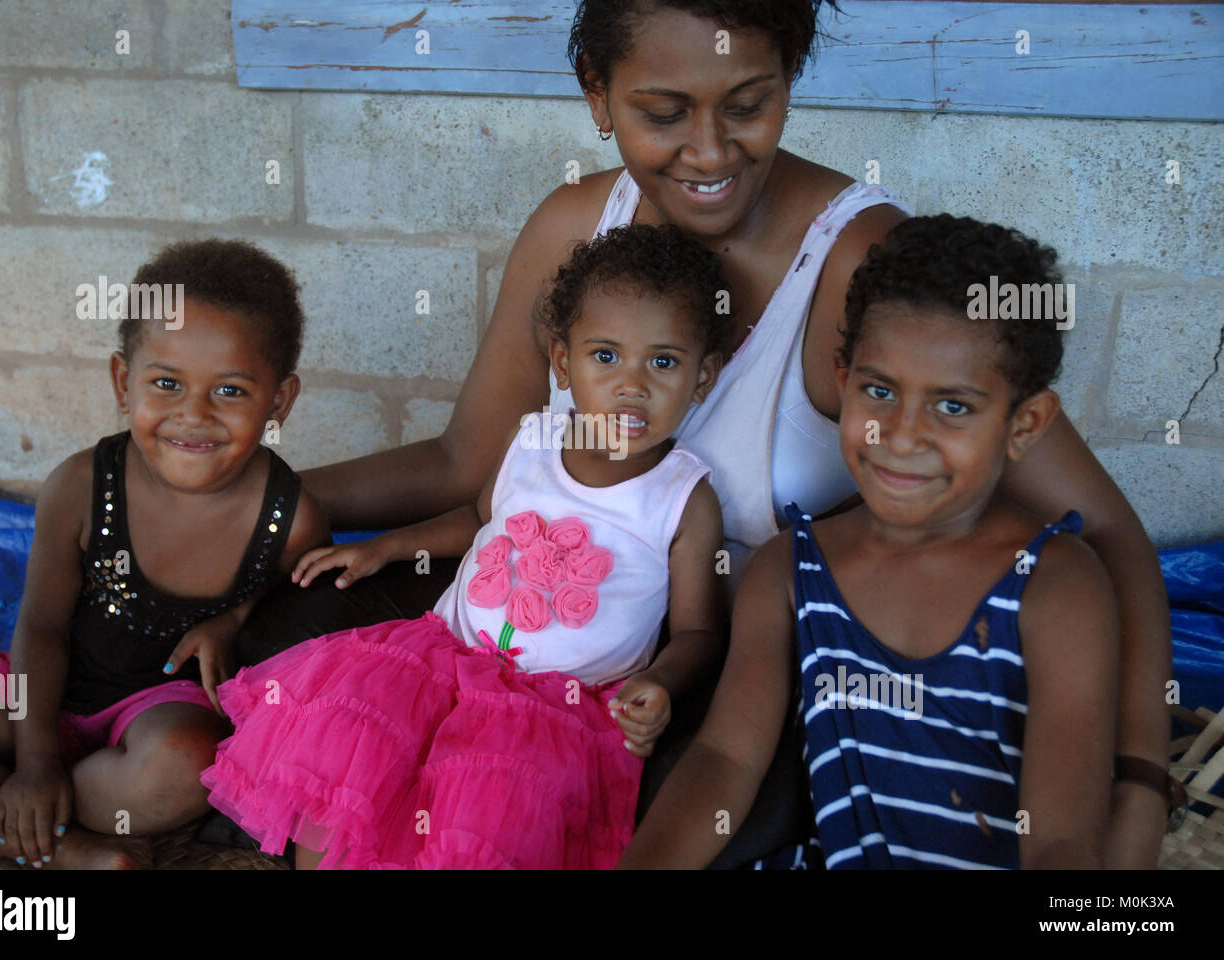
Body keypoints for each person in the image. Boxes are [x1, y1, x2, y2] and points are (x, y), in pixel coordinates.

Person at [243, 0, 1171, 867]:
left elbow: (1109, 533)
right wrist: (268, 501)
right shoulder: (579, 225)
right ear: (598, 99)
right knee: (294, 634)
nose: (710, 149)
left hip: (717, 663)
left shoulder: (864, 268)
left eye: (749, 104)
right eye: (663, 111)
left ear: (788, 80)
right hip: (549, 621)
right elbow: (465, 464)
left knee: (728, 801)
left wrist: (1138, 782)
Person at [199, 224, 727, 869]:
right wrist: (389, 547)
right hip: (439, 659)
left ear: (705, 377)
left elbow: (699, 630)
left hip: (556, 709)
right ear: (563, 361)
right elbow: (481, 518)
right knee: (350, 764)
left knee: (479, 822)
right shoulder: (532, 442)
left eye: (665, 362)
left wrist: (660, 683)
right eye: (605, 356)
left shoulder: (681, 497)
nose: (633, 385)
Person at [620, 215, 1119, 869]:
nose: (903, 435)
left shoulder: (1055, 588)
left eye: (954, 407)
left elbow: (1060, 841)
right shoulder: (790, 571)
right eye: (879, 391)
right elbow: (725, 758)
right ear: (842, 377)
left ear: (1025, 424)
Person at [0, 240, 328, 868]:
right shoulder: (82, 486)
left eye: (230, 390)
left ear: (279, 401)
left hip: (159, 715)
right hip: (39, 691)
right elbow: (41, 626)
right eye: (166, 383)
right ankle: (72, 852)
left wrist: (233, 618)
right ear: (122, 381)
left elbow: (302, 610)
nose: (192, 414)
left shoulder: (289, 517)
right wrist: (34, 761)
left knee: (186, 766)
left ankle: (27, 806)